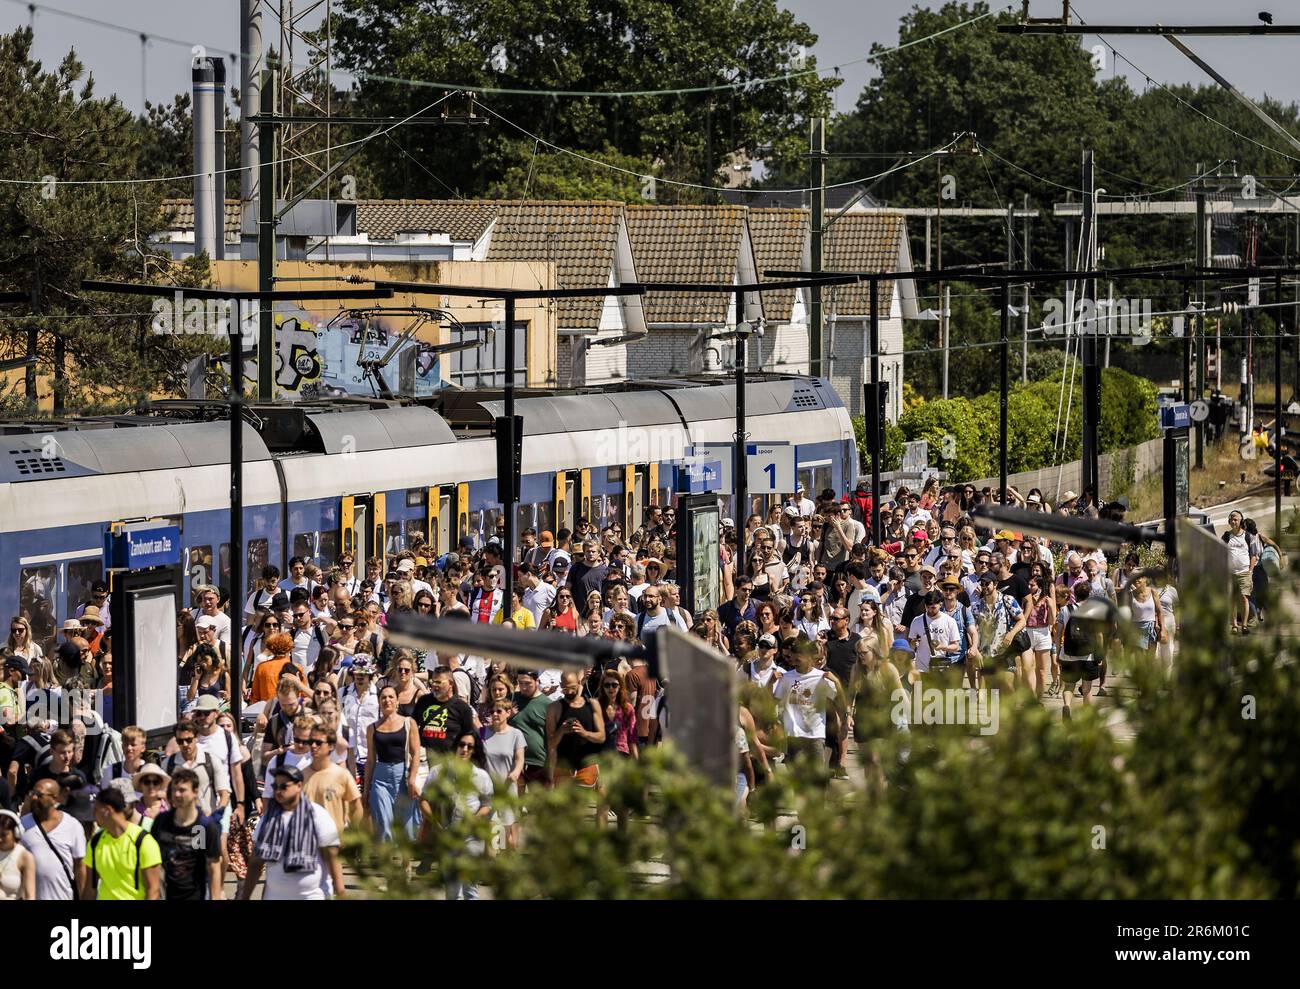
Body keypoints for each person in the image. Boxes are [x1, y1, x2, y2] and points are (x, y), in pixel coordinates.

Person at [242, 764, 344, 900]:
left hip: (313, 896)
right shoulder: (269, 818)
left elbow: (332, 858)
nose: (278, 791)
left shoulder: (318, 815)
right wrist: (245, 897)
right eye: (275, 787)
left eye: (284, 786)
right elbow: (256, 862)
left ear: (299, 786)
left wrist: (341, 892)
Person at [420, 731, 493, 900]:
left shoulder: (481, 776)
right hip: (447, 834)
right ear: (455, 747)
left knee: (470, 889)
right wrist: (436, 823)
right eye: (462, 744)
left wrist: (475, 819)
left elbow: (487, 804)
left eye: (470, 746)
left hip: (472, 835)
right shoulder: (439, 772)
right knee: (452, 890)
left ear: (475, 750)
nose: (465, 749)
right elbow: (424, 800)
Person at [150, 768, 222, 900]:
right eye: (174, 790)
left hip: (194, 895)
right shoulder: (162, 822)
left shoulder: (202, 826)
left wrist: (215, 897)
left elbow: (213, 865)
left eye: (182, 790)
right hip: (165, 894)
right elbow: (151, 860)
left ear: (195, 792)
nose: (177, 794)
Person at [773, 637, 838, 778]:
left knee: (817, 777)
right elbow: (774, 701)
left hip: (815, 735)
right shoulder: (787, 677)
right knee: (796, 777)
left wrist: (837, 682)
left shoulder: (821, 677)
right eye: (792, 659)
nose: (794, 663)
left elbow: (836, 697)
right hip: (793, 735)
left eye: (798, 660)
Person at [82, 786, 162, 900]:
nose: (93, 815)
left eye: (96, 810)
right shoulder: (95, 843)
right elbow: (90, 887)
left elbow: (153, 890)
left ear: (107, 810)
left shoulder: (143, 842)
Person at [363, 685, 421, 842]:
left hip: (402, 773)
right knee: (383, 821)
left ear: (397, 701)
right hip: (380, 777)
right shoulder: (372, 728)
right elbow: (370, 760)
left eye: (390, 697)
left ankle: (406, 863)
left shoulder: (409, 723)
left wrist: (412, 779)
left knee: (406, 822)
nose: (387, 700)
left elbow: (415, 753)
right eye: (383, 697)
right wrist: (366, 789)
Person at [20, 777, 85, 900]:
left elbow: (80, 867)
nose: (34, 798)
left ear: (54, 798)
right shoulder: (21, 825)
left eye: (39, 795)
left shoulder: (72, 826)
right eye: (32, 794)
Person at [546, 671, 606, 791]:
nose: (569, 692)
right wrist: (561, 731)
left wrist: (584, 733)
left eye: (573, 687)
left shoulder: (592, 704)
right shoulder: (554, 708)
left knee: (581, 803)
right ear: (560, 685)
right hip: (563, 766)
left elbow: (601, 737)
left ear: (579, 683)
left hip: (586, 764)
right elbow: (550, 744)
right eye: (565, 688)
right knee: (565, 807)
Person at [482, 700, 526, 849]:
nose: (495, 714)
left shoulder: (516, 734)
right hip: (487, 790)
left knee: (508, 837)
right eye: (492, 711)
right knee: (491, 833)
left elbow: (520, 759)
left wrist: (515, 772)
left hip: (507, 788)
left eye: (499, 711)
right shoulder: (482, 733)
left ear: (508, 713)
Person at [304, 724, 362, 835]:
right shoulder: (301, 775)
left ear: (331, 746)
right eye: (310, 742)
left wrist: (350, 836)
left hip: (334, 842)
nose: (313, 746)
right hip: (307, 843)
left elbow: (357, 807)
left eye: (319, 743)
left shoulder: (341, 775)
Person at [164, 718, 229, 818]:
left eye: (188, 740)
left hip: (205, 821)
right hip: (179, 823)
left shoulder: (211, 761)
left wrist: (216, 816)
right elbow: (163, 795)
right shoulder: (168, 764)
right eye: (180, 741)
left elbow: (224, 793)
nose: (185, 745)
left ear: (196, 738)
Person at [1057, 582, 1103, 719]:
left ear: (1074, 595)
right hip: (1088, 655)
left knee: (1069, 687)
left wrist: (1058, 652)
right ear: (1089, 595)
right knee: (1087, 689)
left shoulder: (1065, 610)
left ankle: (1067, 705)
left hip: (1068, 654)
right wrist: (1099, 654)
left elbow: (1059, 634)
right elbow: (1099, 634)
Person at [908, 591, 961, 682]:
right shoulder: (917, 621)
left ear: (940, 605)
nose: (930, 610)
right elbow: (910, 644)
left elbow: (956, 647)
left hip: (941, 668)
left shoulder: (949, 621)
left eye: (933, 607)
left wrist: (944, 647)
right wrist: (913, 643)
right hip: (922, 669)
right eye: (927, 607)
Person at [1223, 510, 1259, 634]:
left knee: (1244, 598)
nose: (1233, 521)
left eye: (1236, 519)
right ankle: (1234, 625)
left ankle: (1244, 625)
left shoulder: (1249, 537)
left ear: (1240, 521)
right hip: (1230, 573)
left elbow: (1254, 555)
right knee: (1232, 599)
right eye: (1231, 519)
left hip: (1244, 572)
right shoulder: (1226, 536)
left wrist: (1250, 570)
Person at [0, 809, 35, 900]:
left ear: (16, 833)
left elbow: (30, 896)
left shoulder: (25, 856)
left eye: (4, 835)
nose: (0, 839)